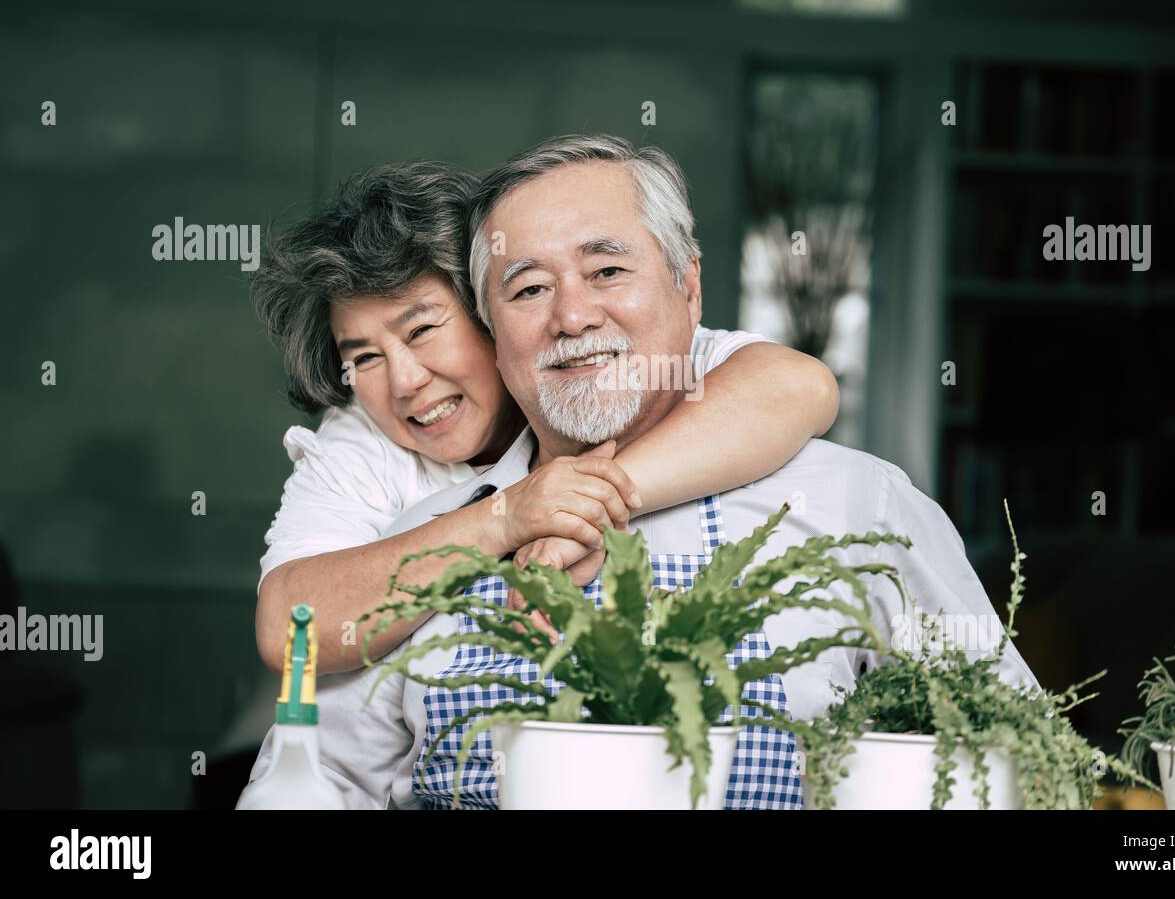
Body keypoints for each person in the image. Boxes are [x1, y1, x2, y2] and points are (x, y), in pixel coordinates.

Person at [247, 135, 1038, 810]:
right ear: (493, 331)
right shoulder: (417, 547)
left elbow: (1017, 757)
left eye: (608, 271)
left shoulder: (856, 503)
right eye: (527, 289)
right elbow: (311, 781)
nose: (573, 315)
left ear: (688, 290)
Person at [248, 161, 840, 674]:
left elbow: (799, 386)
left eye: (423, 330)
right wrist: (508, 519)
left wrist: (576, 508)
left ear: (490, 318)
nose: (404, 382)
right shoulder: (364, 431)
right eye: (366, 356)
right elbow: (289, 633)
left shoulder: (621, 358)